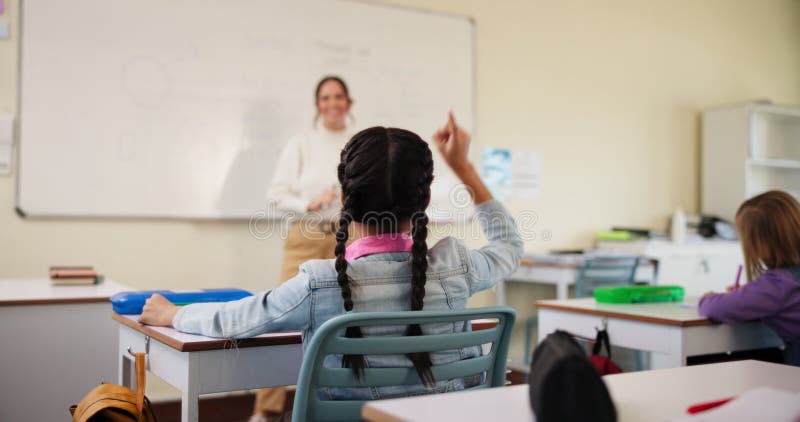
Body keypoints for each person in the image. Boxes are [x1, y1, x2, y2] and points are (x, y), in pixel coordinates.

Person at [138, 113, 523, 404]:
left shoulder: (319, 284)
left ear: (345, 197)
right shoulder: (458, 266)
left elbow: (235, 319)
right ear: (425, 200)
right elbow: (509, 246)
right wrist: (463, 167)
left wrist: (174, 314)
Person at [699, 190, 800, 366]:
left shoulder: (778, 285)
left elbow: (717, 308)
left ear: (758, 244)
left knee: (704, 361)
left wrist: (706, 299)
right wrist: (749, 294)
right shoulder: (782, 283)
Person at [270, 76, 355, 284]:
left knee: (350, 306)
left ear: (348, 102)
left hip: (350, 238)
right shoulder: (301, 143)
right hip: (306, 237)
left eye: (338, 97)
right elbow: (276, 196)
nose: (332, 103)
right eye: (325, 98)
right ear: (318, 105)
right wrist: (309, 204)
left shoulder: (358, 142)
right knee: (287, 303)